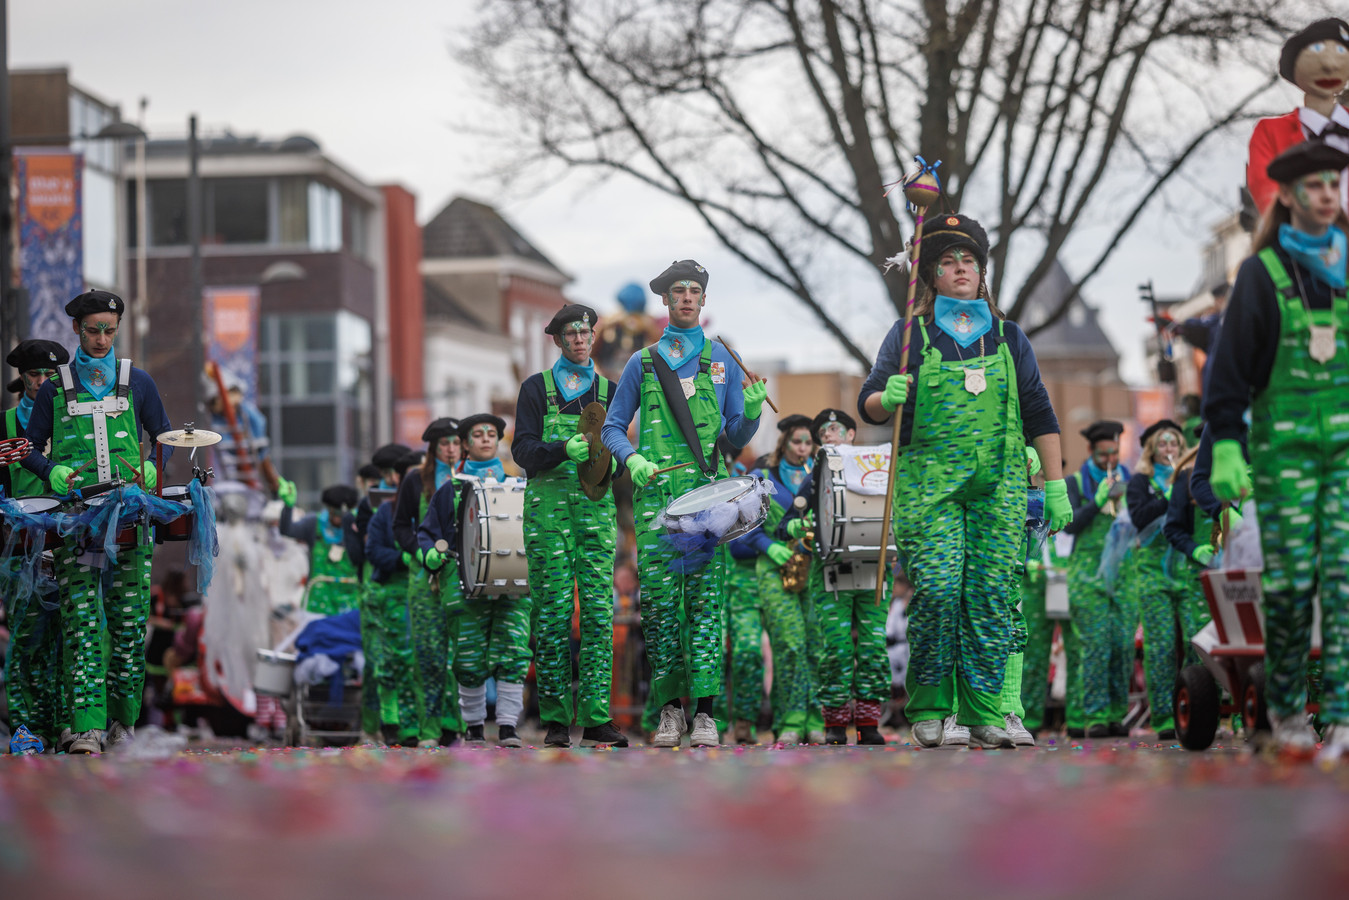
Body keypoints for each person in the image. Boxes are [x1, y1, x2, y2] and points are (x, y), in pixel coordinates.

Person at [857, 214, 1069, 749]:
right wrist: (889, 397)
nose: (959, 270)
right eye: (949, 262)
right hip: (929, 486)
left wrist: (1058, 484)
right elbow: (868, 403)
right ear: (932, 275)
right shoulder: (910, 335)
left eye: (968, 261)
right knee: (939, 589)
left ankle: (983, 713)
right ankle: (930, 707)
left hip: (1000, 486)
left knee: (992, 595)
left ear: (981, 272)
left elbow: (1039, 410)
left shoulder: (1008, 337)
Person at [1205, 139, 1349, 760]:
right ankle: (1286, 707)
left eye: (1335, 185)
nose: (1327, 195)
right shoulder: (1260, 277)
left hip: (1345, 449)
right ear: (1289, 196)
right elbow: (1229, 371)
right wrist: (1225, 445)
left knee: (1343, 580)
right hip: (1284, 451)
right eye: (1315, 186)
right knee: (1291, 585)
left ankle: (1342, 717)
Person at [602, 259, 766, 748]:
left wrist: (753, 414)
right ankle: (670, 710)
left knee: (704, 609)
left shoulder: (723, 359)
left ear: (704, 300)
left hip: (708, 502)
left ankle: (706, 715)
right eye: (679, 290)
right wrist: (631, 460)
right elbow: (612, 426)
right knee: (658, 609)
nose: (688, 297)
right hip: (655, 502)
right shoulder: (643, 363)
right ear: (666, 301)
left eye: (695, 290)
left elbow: (735, 435)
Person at [19, 290, 172, 753]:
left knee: (128, 625)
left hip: (130, 519)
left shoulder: (137, 381)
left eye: (109, 329)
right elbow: (27, 447)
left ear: (119, 327)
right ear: (76, 330)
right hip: (76, 522)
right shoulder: (54, 387)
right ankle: (84, 727)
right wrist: (52, 471)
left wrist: (153, 468)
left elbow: (162, 436)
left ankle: (122, 724)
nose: (102, 339)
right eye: (92, 330)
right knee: (82, 621)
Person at [512, 303, 629, 748]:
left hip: (595, 515)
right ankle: (557, 720)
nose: (580, 339)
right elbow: (523, 450)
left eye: (586, 332)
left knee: (600, 613)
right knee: (555, 614)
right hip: (547, 514)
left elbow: (617, 457)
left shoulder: (610, 390)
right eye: (571, 333)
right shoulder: (535, 389)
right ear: (558, 340)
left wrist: (612, 462)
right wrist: (564, 448)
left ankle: (597, 716)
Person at [427, 412, 532, 748]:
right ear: (466, 445)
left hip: (513, 587)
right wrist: (429, 553)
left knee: (514, 650)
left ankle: (507, 726)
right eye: (478, 434)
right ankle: (473, 726)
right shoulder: (450, 489)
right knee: (469, 656)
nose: (486, 438)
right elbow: (428, 533)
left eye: (491, 433)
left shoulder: (518, 485)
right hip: (464, 585)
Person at [788, 408, 891, 746]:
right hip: (831, 571)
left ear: (851, 435)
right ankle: (834, 721)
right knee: (836, 648)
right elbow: (790, 516)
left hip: (874, 569)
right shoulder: (819, 472)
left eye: (834, 429)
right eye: (823, 433)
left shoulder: (876, 467)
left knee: (875, 647)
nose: (827, 436)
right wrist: (793, 525)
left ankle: (868, 721)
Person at [730, 414, 820, 744]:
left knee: (815, 646)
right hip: (772, 568)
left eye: (809, 442)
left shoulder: (822, 473)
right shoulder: (761, 477)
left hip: (814, 570)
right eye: (797, 441)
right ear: (784, 443)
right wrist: (769, 546)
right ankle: (789, 719)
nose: (803, 448)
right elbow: (741, 525)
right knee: (790, 645)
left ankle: (814, 716)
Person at [2, 339, 69, 754]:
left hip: (65, 541)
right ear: (22, 378)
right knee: (25, 638)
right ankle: (26, 727)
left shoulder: (69, 419)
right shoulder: (6, 424)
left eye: (49, 375)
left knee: (69, 636)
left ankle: (63, 723)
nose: (42, 382)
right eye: (34, 375)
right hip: (18, 546)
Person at [1124, 419, 1205, 740]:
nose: (1169, 448)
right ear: (1152, 449)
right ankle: (1163, 718)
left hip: (1185, 572)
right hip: (1152, 574)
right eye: (1163, 444)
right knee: (1160, 647)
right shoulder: (1139, 482)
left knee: (1195, 642)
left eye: (1174, 443)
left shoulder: (1191, 477)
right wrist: (1167, 496)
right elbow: (1139, 517)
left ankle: (1196, 706)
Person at [391, 418, 464, 747]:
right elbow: (401, 527)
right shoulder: (413, 481)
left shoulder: (471, 476)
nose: (451, 448)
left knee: (461, 654)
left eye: (455, 442)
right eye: (444, 443)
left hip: (462, 576)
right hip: (424, 577)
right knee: (428, 654)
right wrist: (419, 554)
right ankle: (430, 728)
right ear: (433, 449)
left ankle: (455, 723)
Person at [1061, 421, 1132, 739]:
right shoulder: (1075, 482)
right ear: (1091, 452)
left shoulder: (1129, 479)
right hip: (1087, 574)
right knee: (1094, 645)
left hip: (1124, 574)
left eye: (1114, 453)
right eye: (1103, 454)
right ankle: (1093, 715)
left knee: (1121, 644)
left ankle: (1117, 713)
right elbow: (1070, 524)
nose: (1109, 460)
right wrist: (1097, 500)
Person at [1246, 18, 1349, 215]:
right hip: (1308, 242)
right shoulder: (1270, 132)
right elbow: (1266, 191)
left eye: (1341, 52)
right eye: (1318, 50)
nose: (1330, 65)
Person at [358, 447, 420, 746]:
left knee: (423, 663)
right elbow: (367, 552)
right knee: (384, 664)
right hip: (386, 595)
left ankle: (429, 725)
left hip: (424, 592)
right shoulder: (381, 510)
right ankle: (388, 722)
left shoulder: (435, 504)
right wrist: (402, 559)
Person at [277, 483, 362, 616]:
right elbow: (287, 530)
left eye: (342, 513)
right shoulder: (314, 523)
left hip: (350, 603)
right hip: (317, 604)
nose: (337, 518)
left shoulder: (359, 526)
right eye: (333, 512)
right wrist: (288, 507)